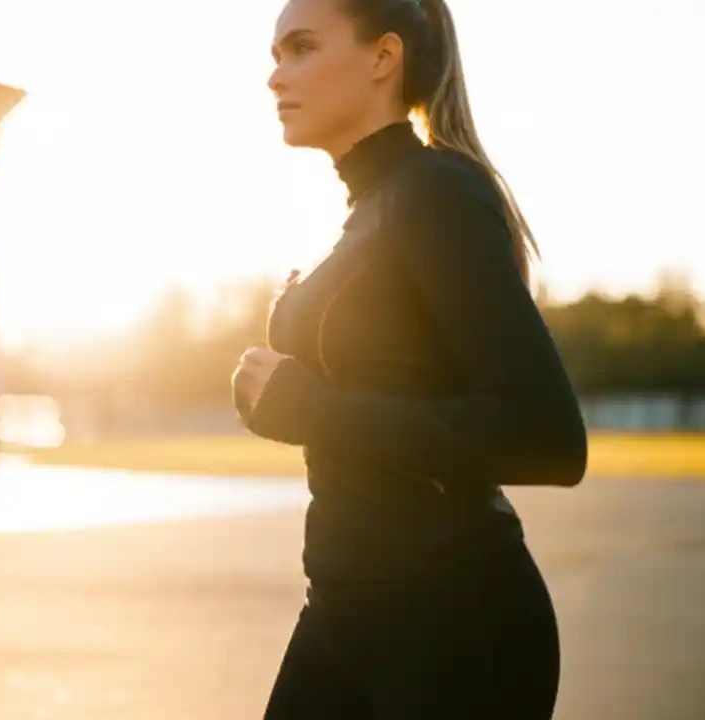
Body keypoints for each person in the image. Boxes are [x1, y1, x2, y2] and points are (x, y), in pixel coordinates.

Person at [231, 0, 589, 717]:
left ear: (383, 58)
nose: (276, 77)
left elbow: (548, 436)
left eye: (300, 49)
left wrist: (311, 409)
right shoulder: (373, 208)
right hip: (345, 613)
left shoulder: (435, 192)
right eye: (274, 56)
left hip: (454, 628)